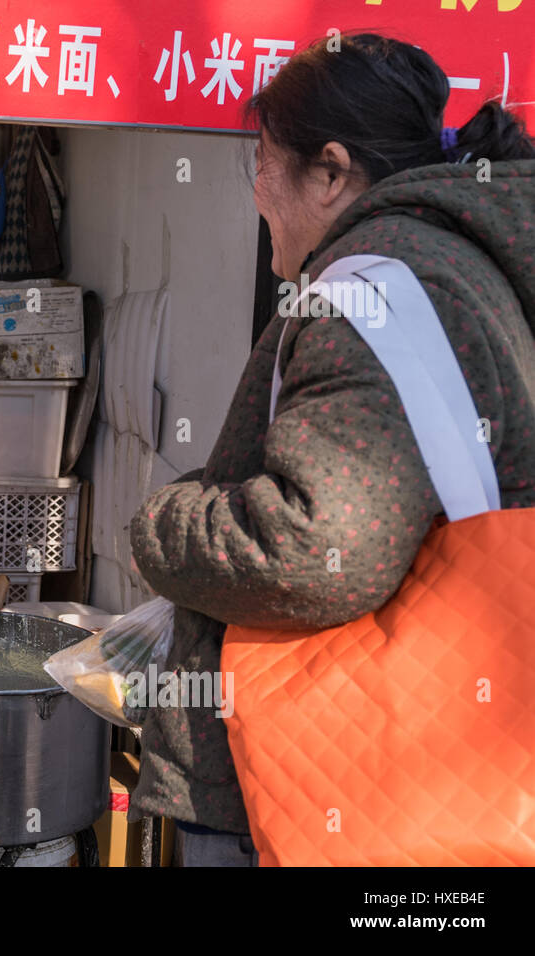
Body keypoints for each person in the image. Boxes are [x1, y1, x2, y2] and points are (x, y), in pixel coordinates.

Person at [126, 33, 535, 865]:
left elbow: (314, 546)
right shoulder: (457, 263)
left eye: (263, 163)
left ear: (331, 170)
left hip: (321, 781)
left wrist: (164, 527)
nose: (257, 192)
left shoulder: (374, 292)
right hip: (437, 755)